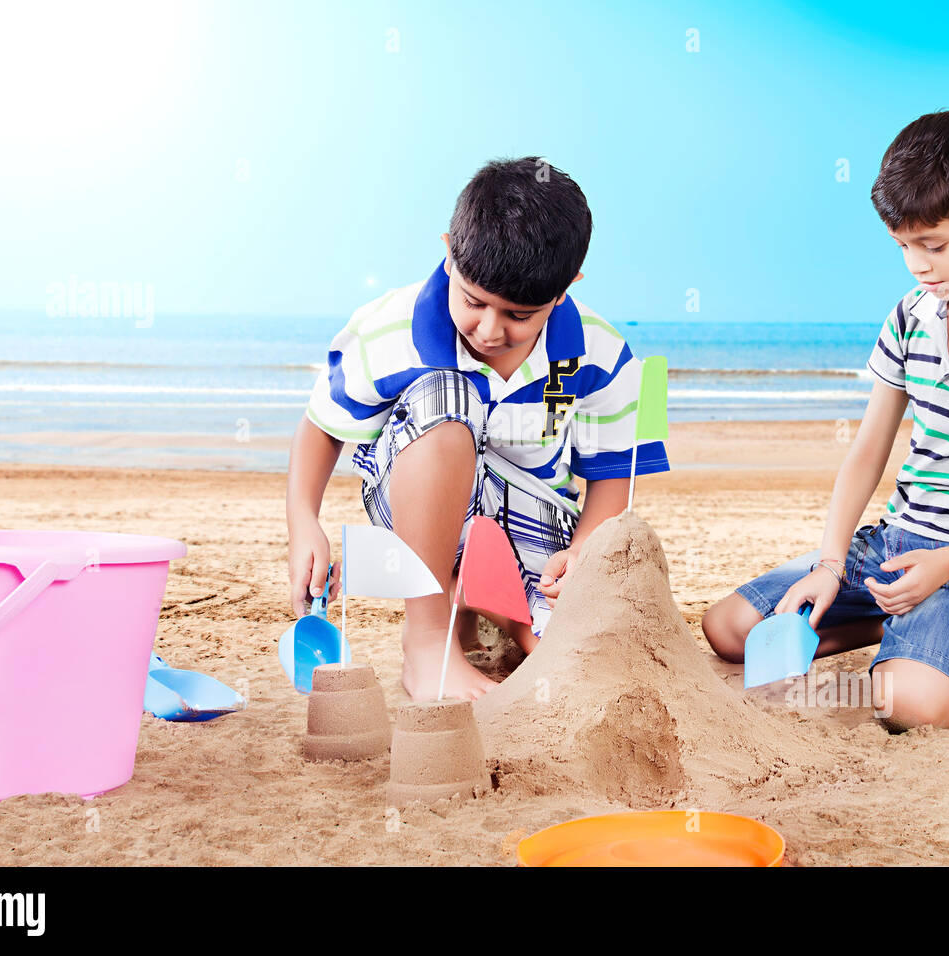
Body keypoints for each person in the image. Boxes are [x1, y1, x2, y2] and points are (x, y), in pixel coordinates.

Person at [702, 110, 949, 731]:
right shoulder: (911, 317)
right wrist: (830, 564)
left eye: (934, 245)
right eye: (903, 247)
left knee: (902, 704)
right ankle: (913, 629)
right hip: (896, 544)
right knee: (730, 629)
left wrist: (946, 565)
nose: (918, 265)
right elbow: (868, 451)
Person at [286, 157, 669, 701]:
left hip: (531, 515)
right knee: (448, 396)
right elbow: (323, 426)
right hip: (417, 507)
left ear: (565, 289)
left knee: (568, 652)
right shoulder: (388, 330)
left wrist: (580, 551)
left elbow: (613, 477)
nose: (490, 330)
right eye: (473, 301)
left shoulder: (599, 354)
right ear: (449, 251)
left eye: (518, 315)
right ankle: (429, 641)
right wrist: (305, 521)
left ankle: (491, 602)